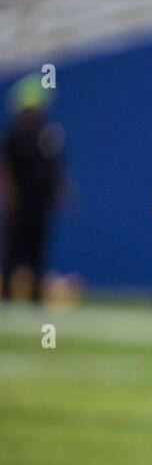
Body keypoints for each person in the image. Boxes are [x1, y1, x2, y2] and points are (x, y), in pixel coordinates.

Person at [1, 75, 64, 303]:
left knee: (38, 249)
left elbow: (54, 167)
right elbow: (6, 168)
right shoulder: (13, 136)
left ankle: (36, 295)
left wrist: (59, 190)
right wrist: (9, 196)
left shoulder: (48, 134)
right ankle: (6, 294)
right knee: (13, 250)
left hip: (40, 203)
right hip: (20, 203)